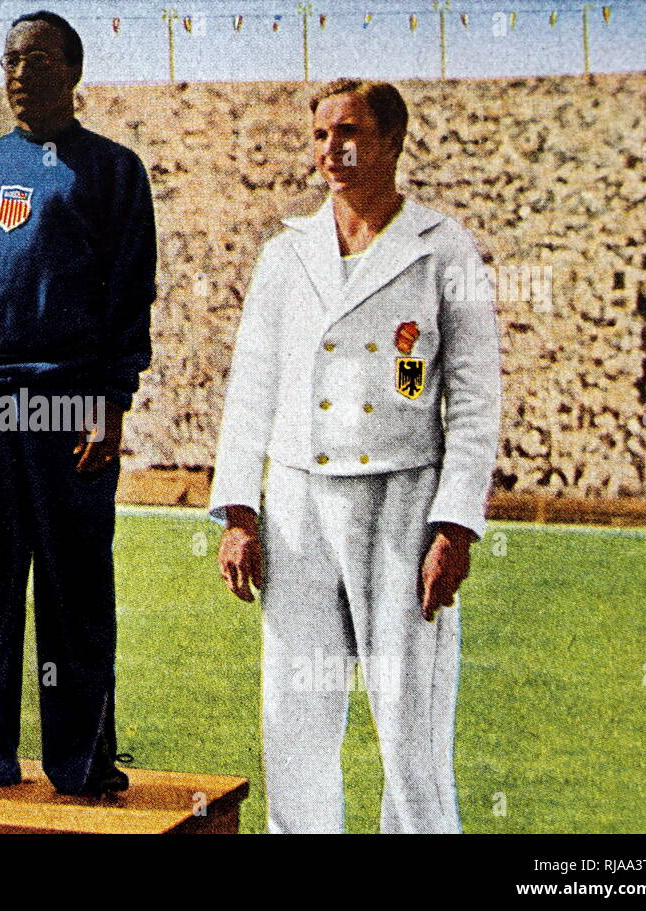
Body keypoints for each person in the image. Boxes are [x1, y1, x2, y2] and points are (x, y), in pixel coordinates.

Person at [209, 79, 501, 833]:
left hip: (405, 503)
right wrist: (240, 510)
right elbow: (252, 388)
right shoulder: (287, 253)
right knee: (295, 717)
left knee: (411, 725)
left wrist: (456, 525)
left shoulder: (442, 247)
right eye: (319, 135)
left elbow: (473, 398)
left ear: (393, 141)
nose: (332, 149)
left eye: (351, 132)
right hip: (299, 504)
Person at [0, 11, 156, 796]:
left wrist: (111, 400)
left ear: (74, 72)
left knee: (73, 577)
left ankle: (81, 755)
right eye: (11, 58)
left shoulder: (113, 172)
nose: (20, 72)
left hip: (65, 394)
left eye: (39, 59)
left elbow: (130, 295)